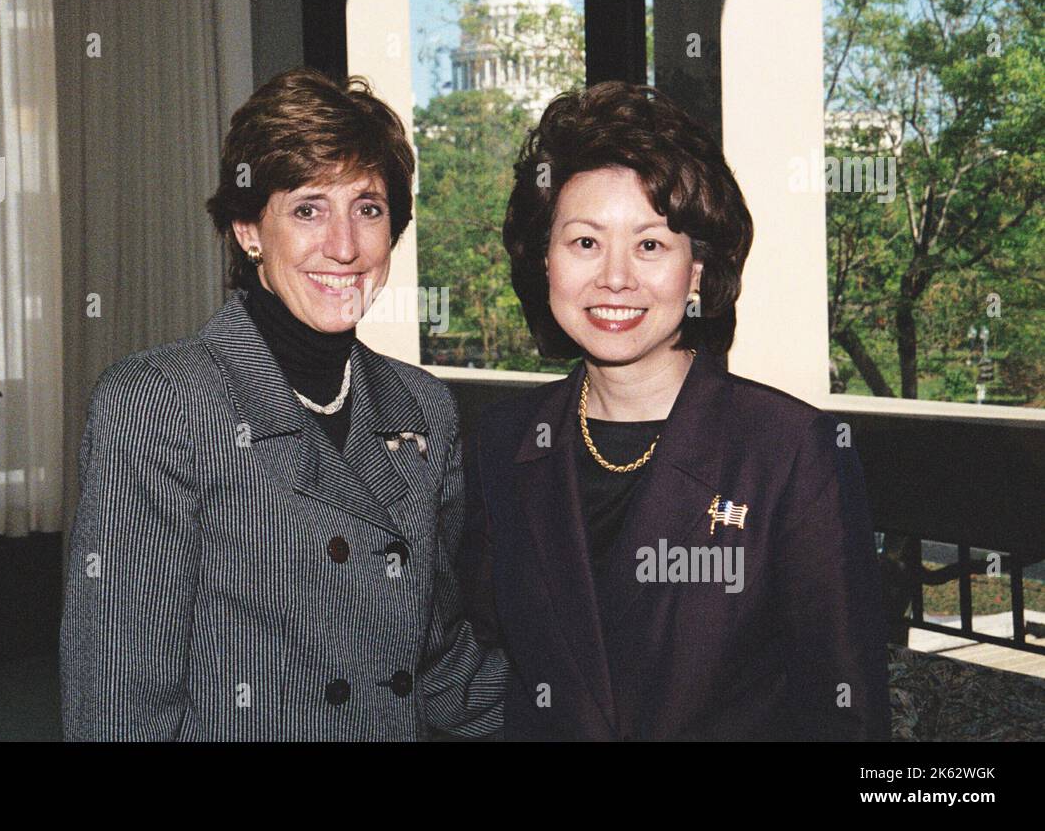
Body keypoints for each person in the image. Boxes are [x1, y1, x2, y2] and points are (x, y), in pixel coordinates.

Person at [60, 67, 506, 740]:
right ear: (248, 230)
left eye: (369, 208)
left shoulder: (423, 410)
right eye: (307, 208)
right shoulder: (158, 406)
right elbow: (119, 701)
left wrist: (593, 705)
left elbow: (434, 660)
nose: (345, 246)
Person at [460, 81, 891, 740]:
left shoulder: (791, 450)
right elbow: (487, 670)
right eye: (583, 243)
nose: (615, 278)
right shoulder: (503, 440)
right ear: (544, 260)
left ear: (696, 272)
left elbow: (846, 714)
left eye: (651, 245)